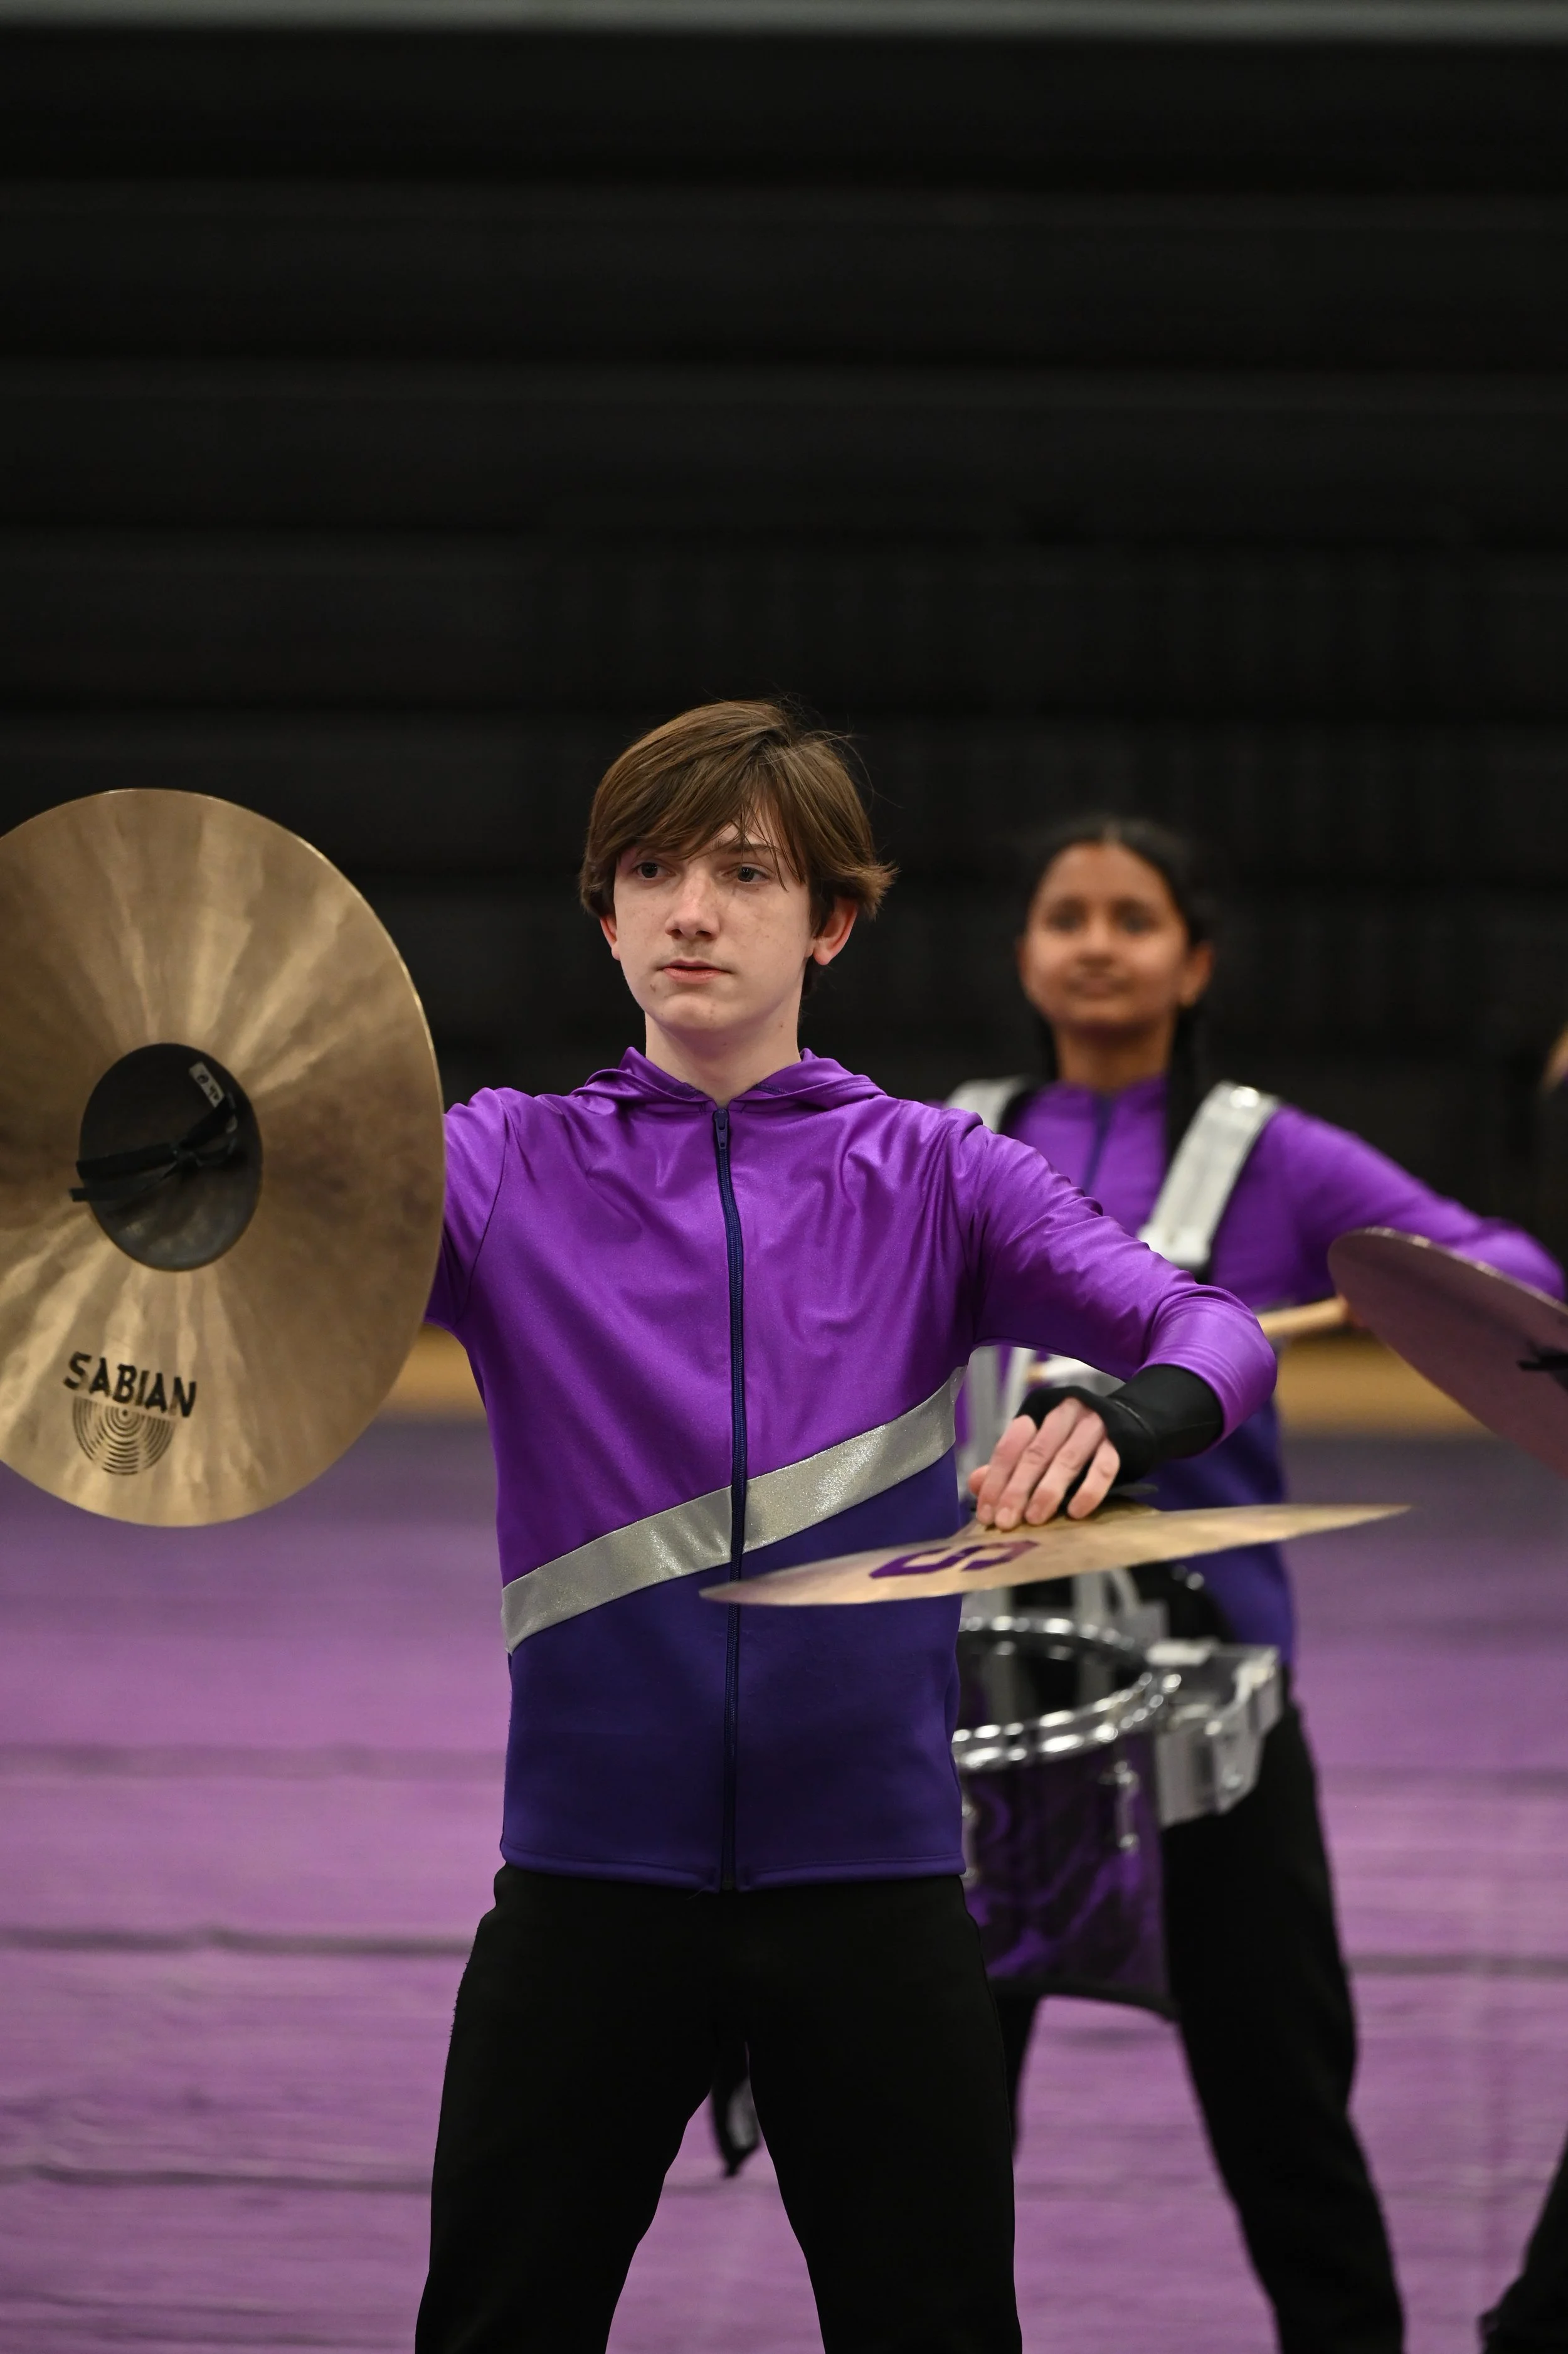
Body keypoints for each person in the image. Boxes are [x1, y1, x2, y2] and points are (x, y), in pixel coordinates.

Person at [412, 710, 1277, 2354]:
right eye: (649, 871)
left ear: (829, 920)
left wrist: (1118, 1413)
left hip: (872, 1895)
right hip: (587, 1891)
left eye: (744, 873)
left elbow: (1208, 1326)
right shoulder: (496, 1164)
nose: (688, 912)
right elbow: (270, 1228)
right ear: (600, 914)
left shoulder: (938, 1173)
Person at [955, 815, 1564, 2354]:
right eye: (1065, 915)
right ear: (1025, 953)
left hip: (1207, 1698)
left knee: (1281, 2106)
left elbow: (1510, 1276)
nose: (1096, 943)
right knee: (933, 2126)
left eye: (1132, 917)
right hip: (970, 1692)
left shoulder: (1266, 1151)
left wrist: (1390, 1289)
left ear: (1192, 957)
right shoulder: (949, 1134)